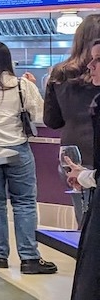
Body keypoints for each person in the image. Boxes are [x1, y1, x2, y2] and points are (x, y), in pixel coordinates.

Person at [0, 41, 56, 274]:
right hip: (17, 151)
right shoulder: (22, 86)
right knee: (23, 203)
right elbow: (39, 114)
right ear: (8, 61)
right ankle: (29, 258)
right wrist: (34, 86)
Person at [45, 16, 100, 224]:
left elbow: (52, 120)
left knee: (85, 222)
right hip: (95, 155)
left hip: (72, 157)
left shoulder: (59, 73)